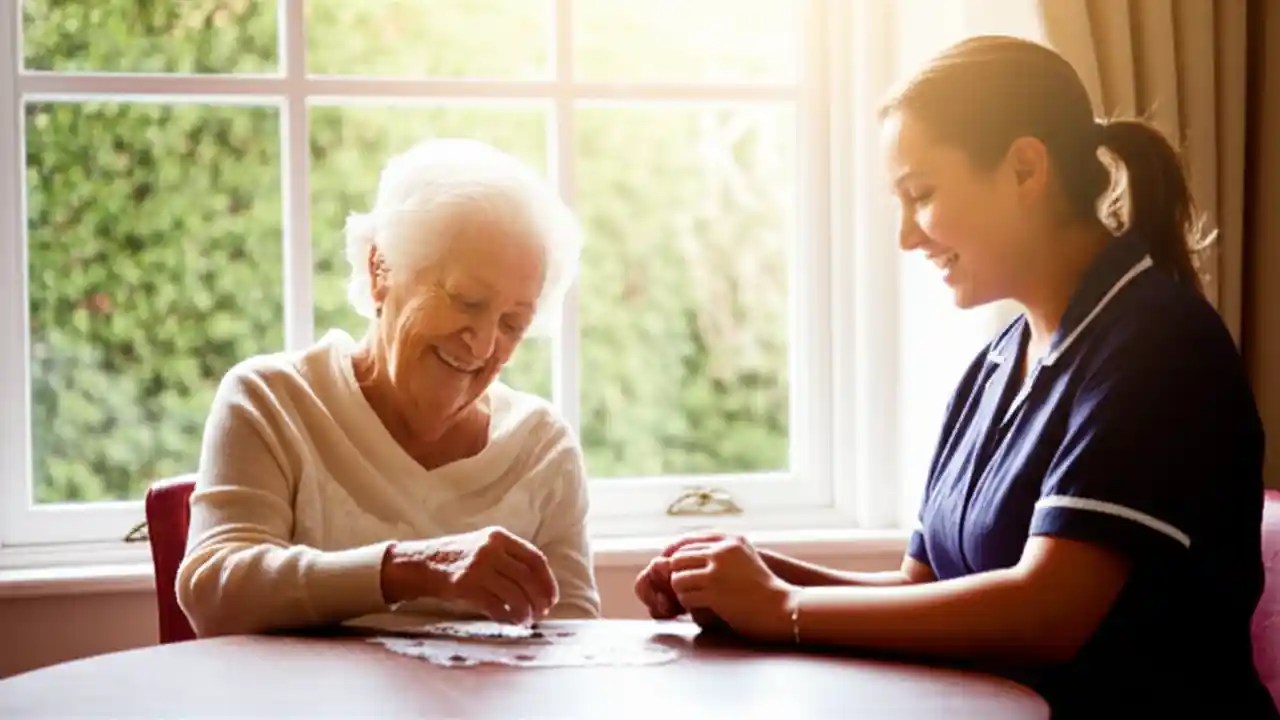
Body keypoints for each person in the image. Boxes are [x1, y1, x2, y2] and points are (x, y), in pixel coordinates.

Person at [635, 36, 1276, 717]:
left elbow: (1047, 612)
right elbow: (926, 587)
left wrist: (783, 608)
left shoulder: (1157, 347)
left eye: (922, 195)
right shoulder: (998, 361)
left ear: (1027, 168)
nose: (907, 235)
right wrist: (747, 578)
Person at [178, 139, 600, 637]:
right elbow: (214, 595)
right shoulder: (272, 399)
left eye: (513, 323)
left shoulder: (540, 447)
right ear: (382, 270)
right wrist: (408, 569)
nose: (485, 344)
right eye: (467, 302)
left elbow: (576, 642)